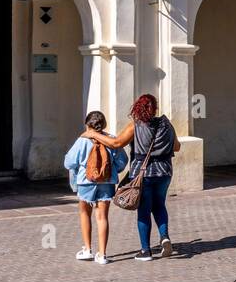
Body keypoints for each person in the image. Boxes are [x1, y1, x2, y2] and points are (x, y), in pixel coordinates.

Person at [84, 93, 180, 262]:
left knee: (143, 210)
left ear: (137, 108)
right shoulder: (167, 124)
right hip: (165, 171)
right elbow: (177, 147)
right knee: (159, 205)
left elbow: (116, 143)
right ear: (155, 108)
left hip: (143, 174)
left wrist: (93, 134)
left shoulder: (135, 126)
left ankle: (145, 251)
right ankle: (164, 237)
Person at [64, 111, 129, 264]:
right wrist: (112, 171)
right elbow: (122, 161)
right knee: (102, 217)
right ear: (104, 125)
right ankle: (102, 254)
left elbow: (69, 163)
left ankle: (87, 250)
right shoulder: (111, 139)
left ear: (87, 125)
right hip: (106, 182)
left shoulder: (82, 140)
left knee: (84, 214)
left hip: (85, 181)